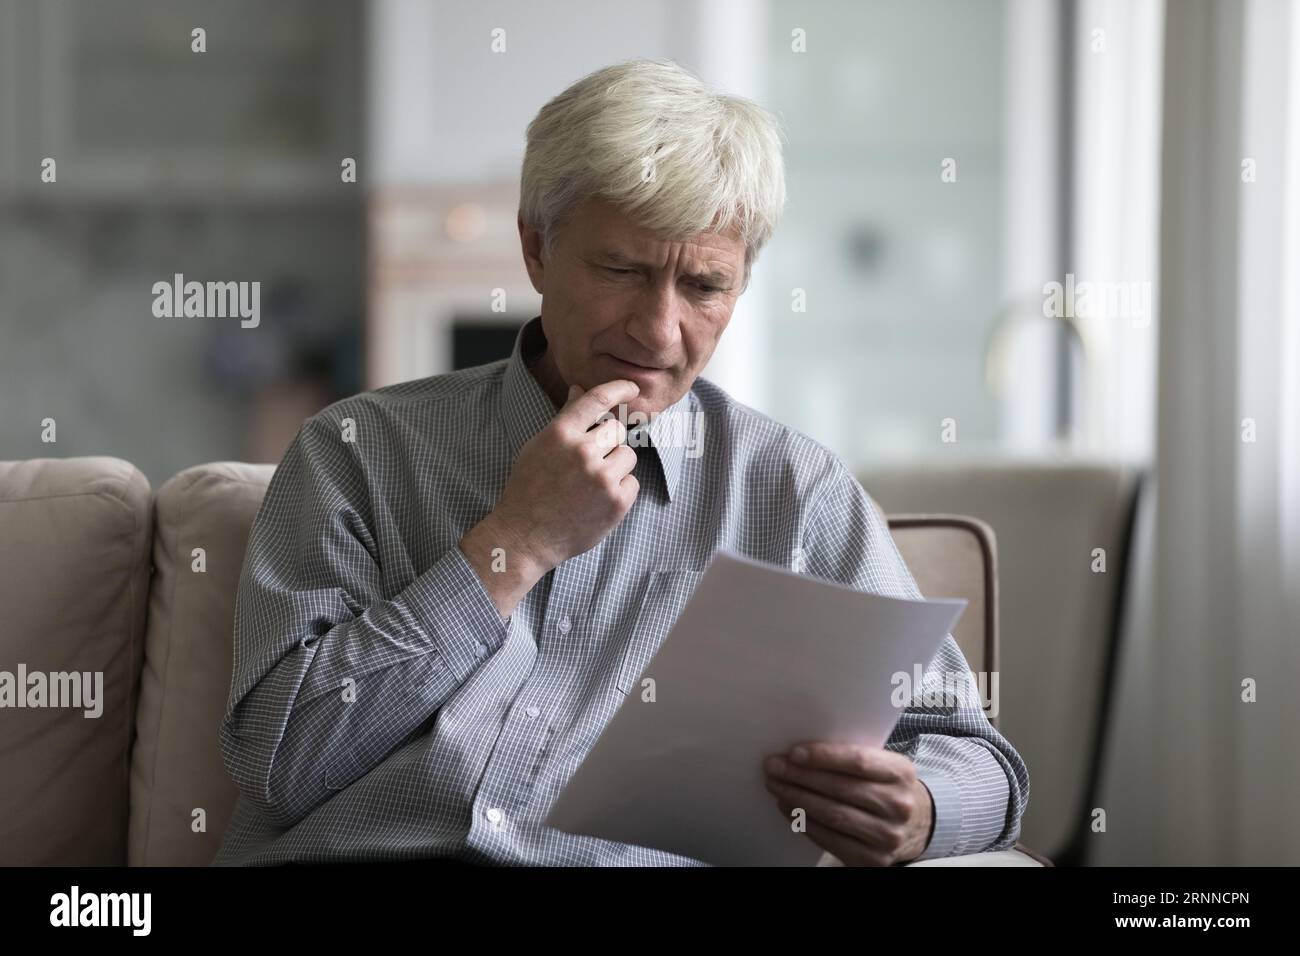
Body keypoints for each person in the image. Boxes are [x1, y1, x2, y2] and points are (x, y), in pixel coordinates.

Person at [214, 58, 1028, 866]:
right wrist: (515, 545)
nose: (659, 332)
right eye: (622, 271)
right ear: (536, 249)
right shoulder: (356, 450)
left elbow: (979, 761)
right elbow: (278, 764)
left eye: (705, 286)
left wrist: (922, 810)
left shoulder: (794, 493)